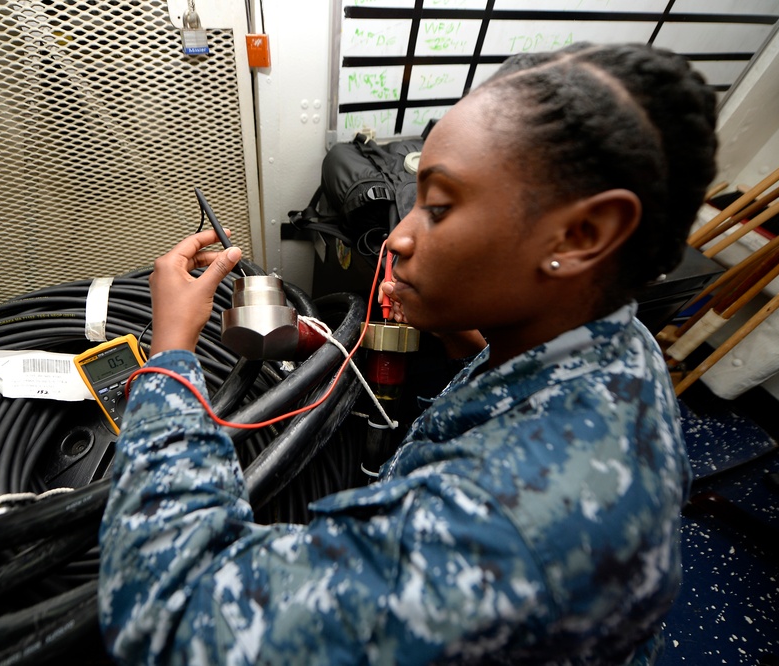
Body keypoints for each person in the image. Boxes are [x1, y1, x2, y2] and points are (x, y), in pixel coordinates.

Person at [98, 41, 716, 665]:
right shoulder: (615, 339)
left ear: (581, 235)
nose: (397, 237)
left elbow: (170, 618)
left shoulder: (496, 536)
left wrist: (171, 351)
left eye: (439, 207)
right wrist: (463, 339)